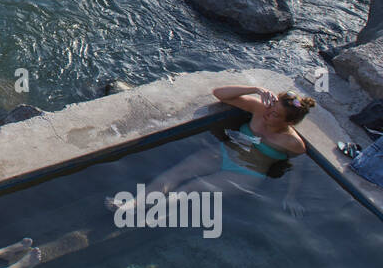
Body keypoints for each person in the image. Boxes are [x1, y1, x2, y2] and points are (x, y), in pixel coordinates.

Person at [106, 85, 315, 218]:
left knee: (191, 188)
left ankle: (148, 213)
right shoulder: (260, 109)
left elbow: (299, 166)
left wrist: (292, 195)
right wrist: (254, 89)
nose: (269, 112)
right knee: (175, 174)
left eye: (276, 114)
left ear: (290, 122)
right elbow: (219, 93)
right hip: (224, 153)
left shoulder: (292, 143)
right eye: (272, 106)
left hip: (247, 173)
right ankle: (133, 204)